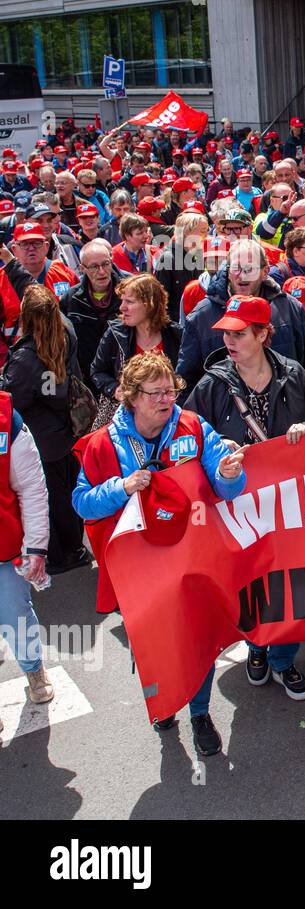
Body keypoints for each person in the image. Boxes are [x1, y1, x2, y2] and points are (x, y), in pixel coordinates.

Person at [72, 354, 247, 753]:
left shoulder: (192, 426)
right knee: (155, 642)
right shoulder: (104, 445)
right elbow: (82, 503)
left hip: (191, 555)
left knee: (199, 636)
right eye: (156, 393)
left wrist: (230, 475)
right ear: (133, 397)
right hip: (139, 569)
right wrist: (122, 487)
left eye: (171, 390)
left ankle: (200, 713)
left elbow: (226, 482)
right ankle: (163, 700)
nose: (167, 399)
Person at [187, 294, 305, 703]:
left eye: (239, 333)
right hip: (240, 509)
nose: (230, 341)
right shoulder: (213, 383)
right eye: (226, 334)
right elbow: (188, 438)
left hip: (289, 504)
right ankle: (256, 647)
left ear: (264, 334)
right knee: (250, 584)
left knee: (291, 583)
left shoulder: (294, 373)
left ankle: (282, 659)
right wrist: (218, 448)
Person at [0, 287, 87, 574]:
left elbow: (13, 399)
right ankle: (75, 546)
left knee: (50, 498)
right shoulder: (65, 334)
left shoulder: (26, 358)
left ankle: (63, 554)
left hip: (41, 437)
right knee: (66, 490)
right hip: (63, 429)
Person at [178, 238, 305, 398]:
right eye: (236, 268)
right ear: (228, 272)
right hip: (225, 418)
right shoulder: (202, 316)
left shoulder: (290, 308)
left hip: (287, 414)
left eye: (249, 269)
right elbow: (186, 380)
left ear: (265, 272)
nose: (242, 275)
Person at [0, 387, 56, 727]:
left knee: (15, 616)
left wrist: (35, 547)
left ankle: (33, 668)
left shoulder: (8, 420)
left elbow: (31, 487)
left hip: (4, 551)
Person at [90, 274, 182, 402]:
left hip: (166, 409)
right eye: (122, 301)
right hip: (126, 412)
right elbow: (97, 371)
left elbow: (187, 376)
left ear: (150, 305)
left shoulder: (176, 335)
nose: (122, 307)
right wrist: (115, 389)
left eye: (129, 301)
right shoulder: (115, 333)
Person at [61, 238, 126, 384]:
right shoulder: (70, 300)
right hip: (86, 377)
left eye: (105, 264)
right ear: (82, 268)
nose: (101, 271)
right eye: (94, 267)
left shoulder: (129, 290)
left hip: (124, 378)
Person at [152, 211, 209, 324]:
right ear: (187, 232)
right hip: (175, 325)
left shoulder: (198, 254)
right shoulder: (167, 259)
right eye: (203, 231)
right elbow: (160, 301)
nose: (206, 236)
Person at [6, 221, 79, 300]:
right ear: (14, 250)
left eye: (36, 243)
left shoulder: (64, 272)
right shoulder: (3, 279)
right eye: (25, 244)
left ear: (46, 246)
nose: (31, 248)